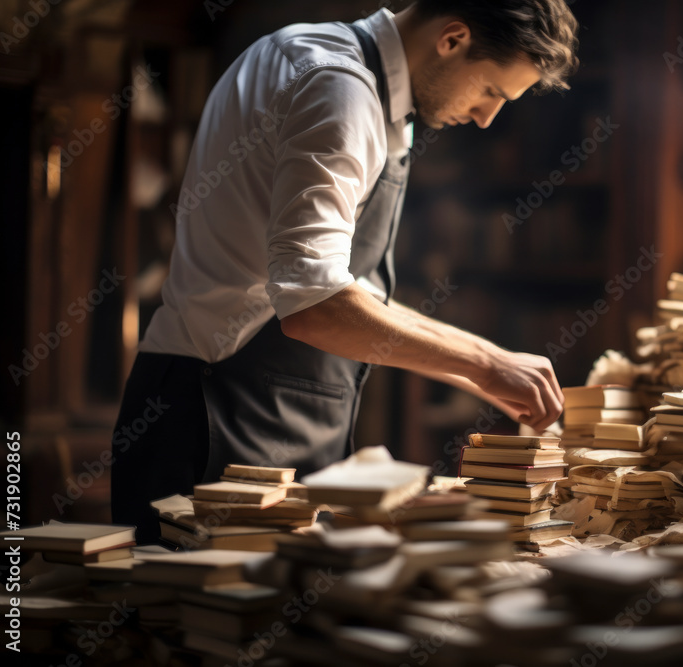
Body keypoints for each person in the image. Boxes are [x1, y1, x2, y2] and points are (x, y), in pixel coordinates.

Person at [111, 0, 579, 541]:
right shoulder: (338, 88)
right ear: (452, 39)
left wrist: (481, 373)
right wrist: (485, 361)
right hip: (216, 417)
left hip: (270, 411)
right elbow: (316, 307)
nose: (485, 117)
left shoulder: (358, 83)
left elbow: (350, 295)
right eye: (491, 91)